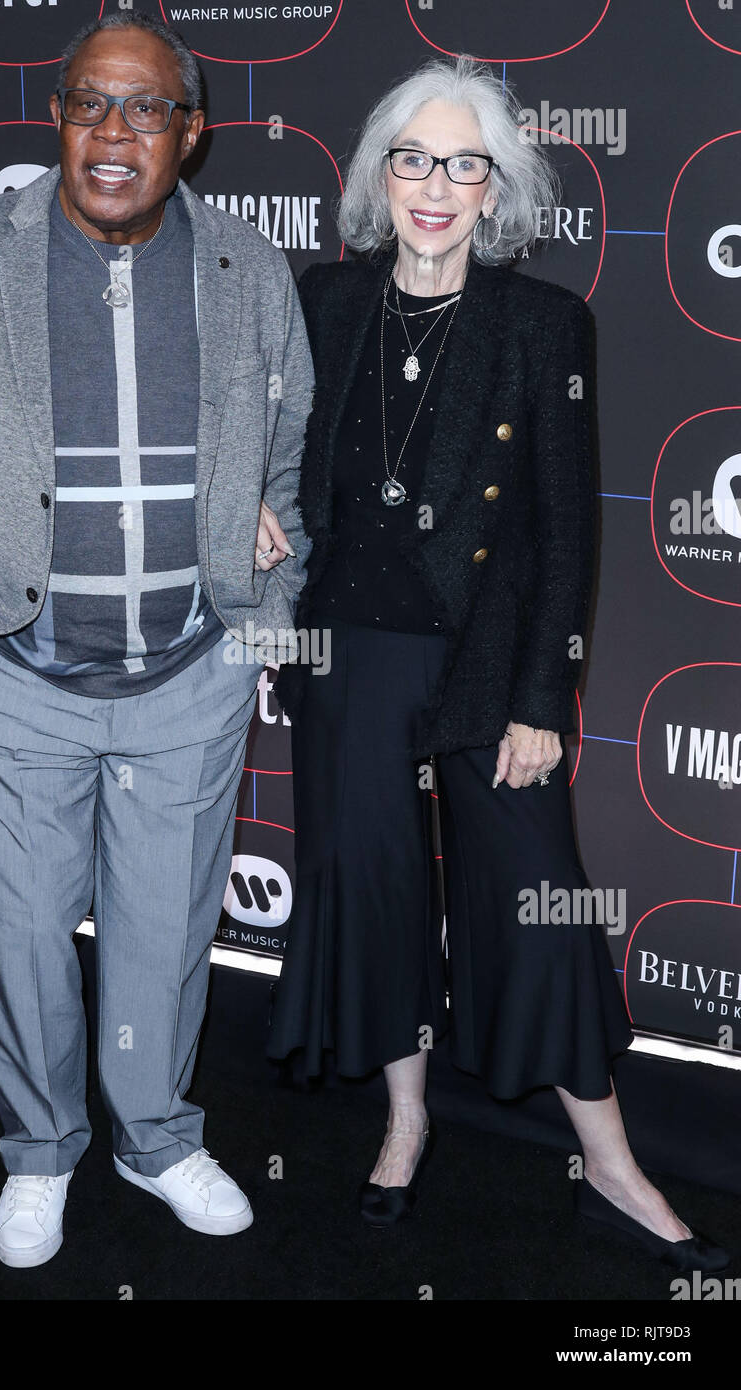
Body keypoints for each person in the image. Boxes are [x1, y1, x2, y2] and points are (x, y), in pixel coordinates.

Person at [0, 11, 312, 1267]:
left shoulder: (248, 271)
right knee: (23, 936)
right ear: (56, 118)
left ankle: (155, 1137)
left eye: (146, 107)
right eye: (89, 103)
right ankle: (42, 1150)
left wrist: (254, 630)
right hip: (9, 680)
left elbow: (291, 460)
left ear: (190, 131)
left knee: (163, 938)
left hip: (189, 677)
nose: (115, 132)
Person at [269, 54, 728, 1272]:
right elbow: (271, 449)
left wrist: (542, 699)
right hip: (350, 649)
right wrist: (263, 519)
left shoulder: (542, 323)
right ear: (379, 173)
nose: (433, 184)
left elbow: (565, 531)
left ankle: (615, 1165)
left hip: (486, 662)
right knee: (370, 897)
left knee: (537, 905)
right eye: (411, 158)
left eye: (461, 163)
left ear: (495, 187)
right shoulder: (324, 300)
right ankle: (406, 1120)